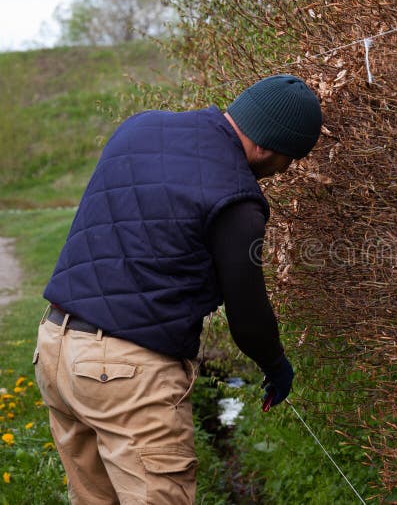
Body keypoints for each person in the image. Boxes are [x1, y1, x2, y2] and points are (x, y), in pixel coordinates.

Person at [33, 74, 323, 504]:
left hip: (56, 349)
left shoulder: (140, 126)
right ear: (265, 146)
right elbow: (247, 315)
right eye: (289, 159)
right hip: (126, 374)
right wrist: (275, 364)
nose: (285, 171)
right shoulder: (238, 202)